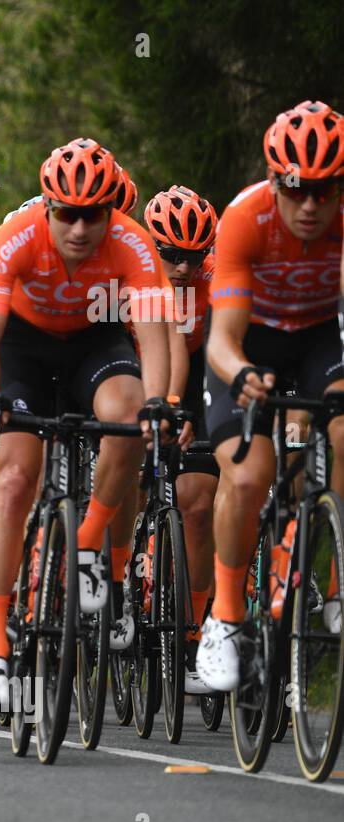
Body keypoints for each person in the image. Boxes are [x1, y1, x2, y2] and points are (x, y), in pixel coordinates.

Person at [0, 139, 173, 705]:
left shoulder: (132, 243)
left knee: (130, 418)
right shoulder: (16, 237)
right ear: (48, 208)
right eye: (67, 214)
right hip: (23, 350)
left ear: (112, 212)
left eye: (94, 215)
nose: (80, 228)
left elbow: (155, 336)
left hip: (92, 343)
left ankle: (85, 550)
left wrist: (159, 402)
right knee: (13, 476)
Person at [200, 100, 344, 690]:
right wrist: (239, 374)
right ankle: (226, 616)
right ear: (273, 181)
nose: (309, 205)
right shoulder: (244, 219)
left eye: (325, 190)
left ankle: (336, 585)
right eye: (296, 188)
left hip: (320, 340)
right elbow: (223, 339)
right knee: (248, 474)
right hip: (251, 341)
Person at [145, 185, 220, 695]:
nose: (182, 269)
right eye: (170, 255)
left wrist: (190, 410)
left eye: (194, 257)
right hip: (138, 369)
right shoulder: (123, 269)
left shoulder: (217, 282)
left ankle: (193, 632)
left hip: (198, 381)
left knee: (196, 501)